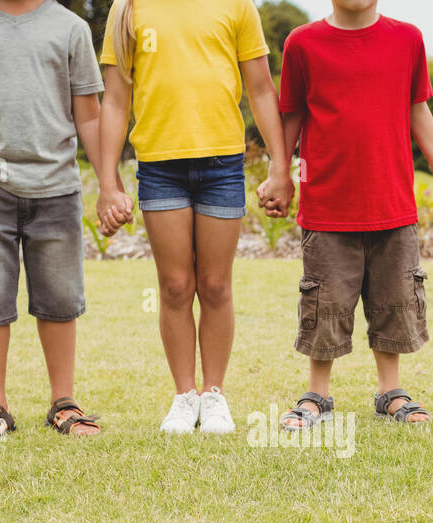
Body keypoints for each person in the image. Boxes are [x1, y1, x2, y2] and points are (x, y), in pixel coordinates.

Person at [96, 0, 293, 435]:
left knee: (217, 285)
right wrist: (108, 183)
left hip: (222, 166)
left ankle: (214, 394)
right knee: (175, 285)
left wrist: (281, 168)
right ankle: (184, 396)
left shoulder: (237, 5)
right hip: (160, 167)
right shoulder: (126, 9)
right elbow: (114, 99)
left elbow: (261, 89)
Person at [275, 0, 433, 430]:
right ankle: (318, 396)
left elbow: (417, 110)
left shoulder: (407, 39)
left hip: (392, 205)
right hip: (327, 207)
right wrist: (278, 175)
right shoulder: (302, 44)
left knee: (394, 302)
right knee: (324, 304)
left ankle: (391, 392)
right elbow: (290, 116)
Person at [0, 0, 119, 445]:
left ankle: (64, 403)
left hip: (56, 186)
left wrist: (109, 186)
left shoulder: (70, 28)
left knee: (59, 298)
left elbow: (89, 115)